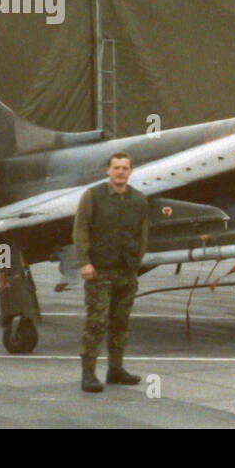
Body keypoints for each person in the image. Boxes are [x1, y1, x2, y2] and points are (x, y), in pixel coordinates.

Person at [72, 152, 149, 393]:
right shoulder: (93, 196)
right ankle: (88, 373)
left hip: (126, 271)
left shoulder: (139, 200)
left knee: (121, 322)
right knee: (96, 322)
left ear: (131, 171)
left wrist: (137, 261)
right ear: (108, 170)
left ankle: (115, 369)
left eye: (125, 168)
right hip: (100, 271)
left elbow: (143, 233)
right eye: (116, 168)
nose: (120, 172)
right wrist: (85, 261)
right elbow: (80, 229)